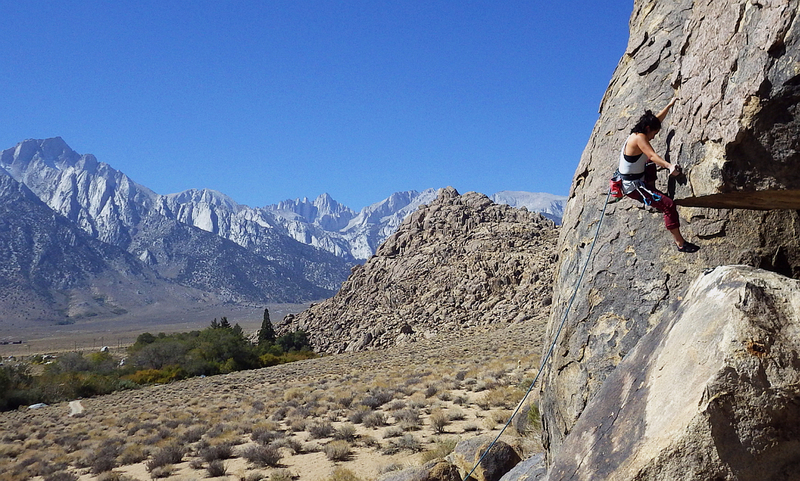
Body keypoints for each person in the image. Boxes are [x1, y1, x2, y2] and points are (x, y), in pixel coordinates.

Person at [618, 98, 700, 253]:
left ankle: (653, 193)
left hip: (636, 180)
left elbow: (656, 121)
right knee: (668, 204)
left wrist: (669, 105)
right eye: (654, 133)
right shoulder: (639, 138)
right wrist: (669, 166)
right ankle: (680, 244)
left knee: (648, 163)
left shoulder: (636, 133)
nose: (653, 137)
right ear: (647, 128)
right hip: (634, 186)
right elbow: (653, 155)